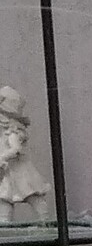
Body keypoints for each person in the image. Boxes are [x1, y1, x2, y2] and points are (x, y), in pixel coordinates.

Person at [0, 87, 50, 224]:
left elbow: (16, 149)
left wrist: (3, 157)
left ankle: (45, 221)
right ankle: (4, 225)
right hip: (7, 172)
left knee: (32, 195)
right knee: (4, 199)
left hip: (20, 172)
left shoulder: (12, 131)